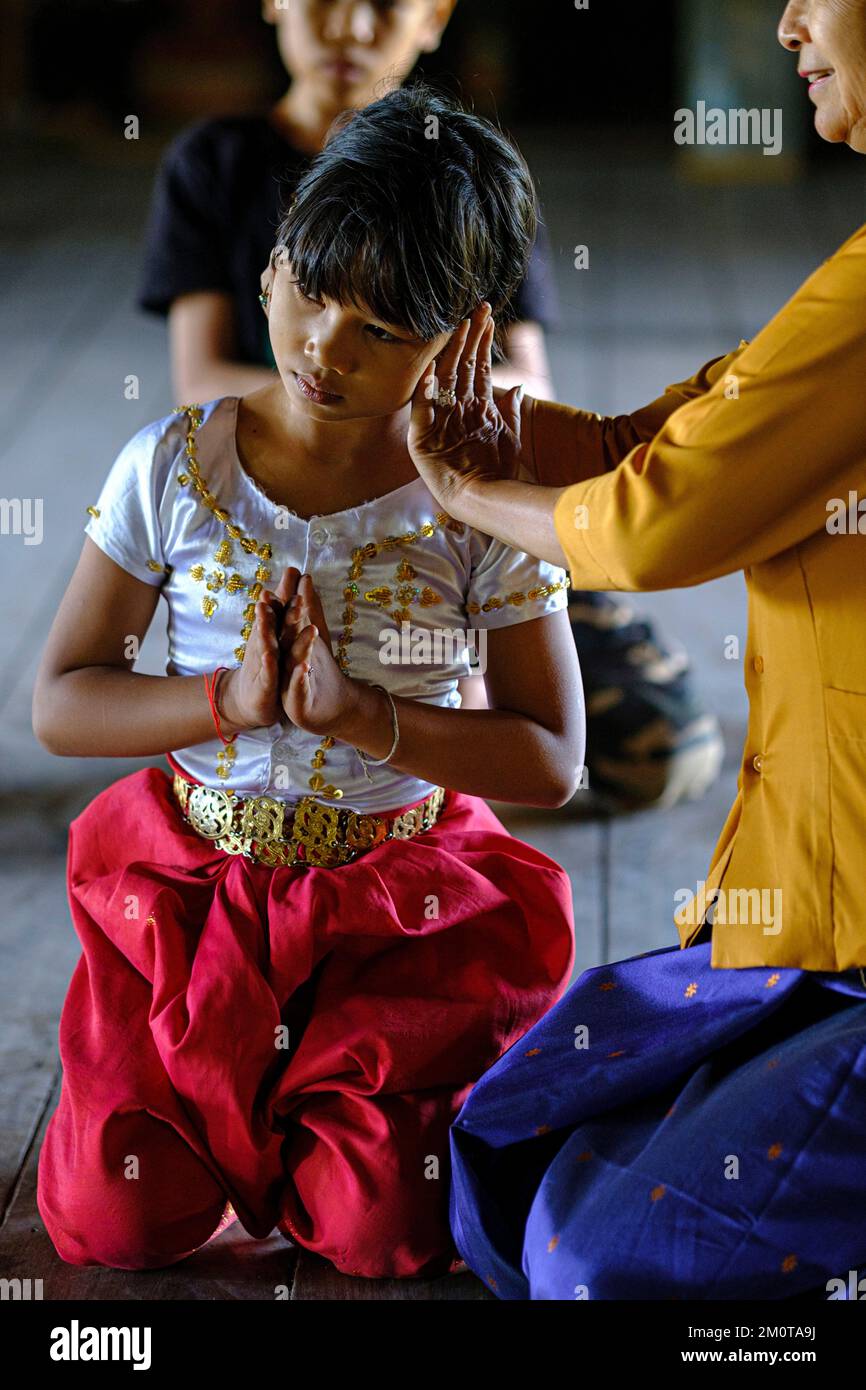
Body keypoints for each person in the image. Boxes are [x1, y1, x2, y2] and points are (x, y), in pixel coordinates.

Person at [31, 87, 583, 1280]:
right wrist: (222, 706)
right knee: (111, 1225)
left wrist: (365, 720)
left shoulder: (477, 503)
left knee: (389, 1230)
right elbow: (63, 700)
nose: (328, 347)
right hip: (187, 910)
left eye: (384, 331)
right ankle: (225, 1120)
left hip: (395, 922)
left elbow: (550, 756)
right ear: (275, 256)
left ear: (464, 340)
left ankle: (326, 1130)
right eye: (312, 291)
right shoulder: (173, 466)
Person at [398, 0, 866, 1298]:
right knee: (501, 1155)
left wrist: (467, 493)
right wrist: (491, 435)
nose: (783, 23)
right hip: (816, 916)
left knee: (594, 1259)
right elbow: (682, 435)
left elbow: (659, 522)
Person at [137, 0, 723, 813]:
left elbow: (528, 383)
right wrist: (351, 404)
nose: (347, 29)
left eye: (382, 4)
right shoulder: (215, 161)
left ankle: (428, 741)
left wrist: (432, 453)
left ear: (435, 17)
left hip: (451, 494)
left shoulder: (469, 188)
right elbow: (198, 376)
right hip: (273, 489)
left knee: (661, 753)